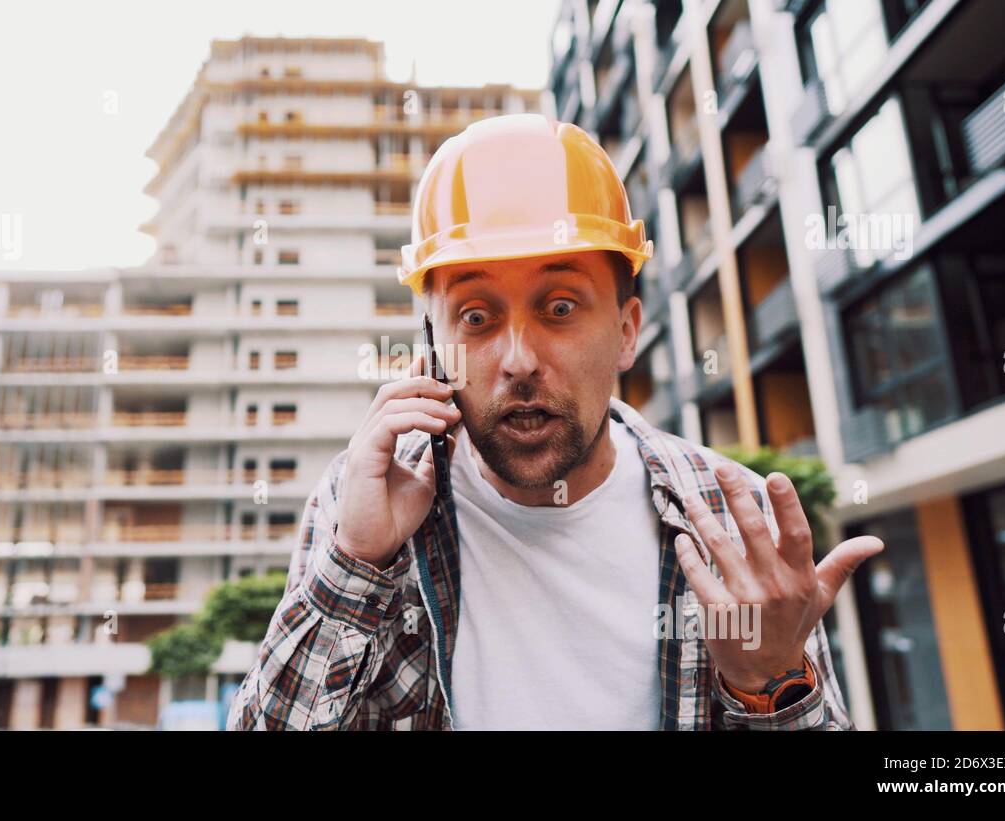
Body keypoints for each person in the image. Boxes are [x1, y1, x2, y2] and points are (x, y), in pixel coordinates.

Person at [227, 113, 883, 730]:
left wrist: (769, 685)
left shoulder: (730, 518)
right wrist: (356, 565)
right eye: (477, 317)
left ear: (626, 332)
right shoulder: (359, 502)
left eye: (560, 306)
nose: (518, 360)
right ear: (434, 346)